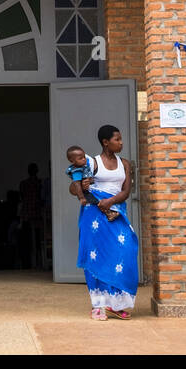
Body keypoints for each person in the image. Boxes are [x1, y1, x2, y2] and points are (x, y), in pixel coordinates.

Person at [69, 125, 138, 320]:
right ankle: (98, 305)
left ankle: (116, 304)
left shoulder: (124, 164)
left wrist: (110, 201)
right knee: (96, 256)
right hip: (95, 216)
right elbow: (73, 189)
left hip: (115, 211)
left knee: (125, 249)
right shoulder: (92, 163)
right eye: (117, 139)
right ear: (105, 142)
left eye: (121, 139)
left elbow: (125, 191)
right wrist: (81, 186)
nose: (121, 142)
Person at [18, 162, 46, 269]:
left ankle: (28, 264)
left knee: (27, 242)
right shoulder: (40, 183)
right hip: (37, 214)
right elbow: (41, 199)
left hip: (26, 215)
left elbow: (22, 198)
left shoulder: (23, 184)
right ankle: (39, 263)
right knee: (39, 241)